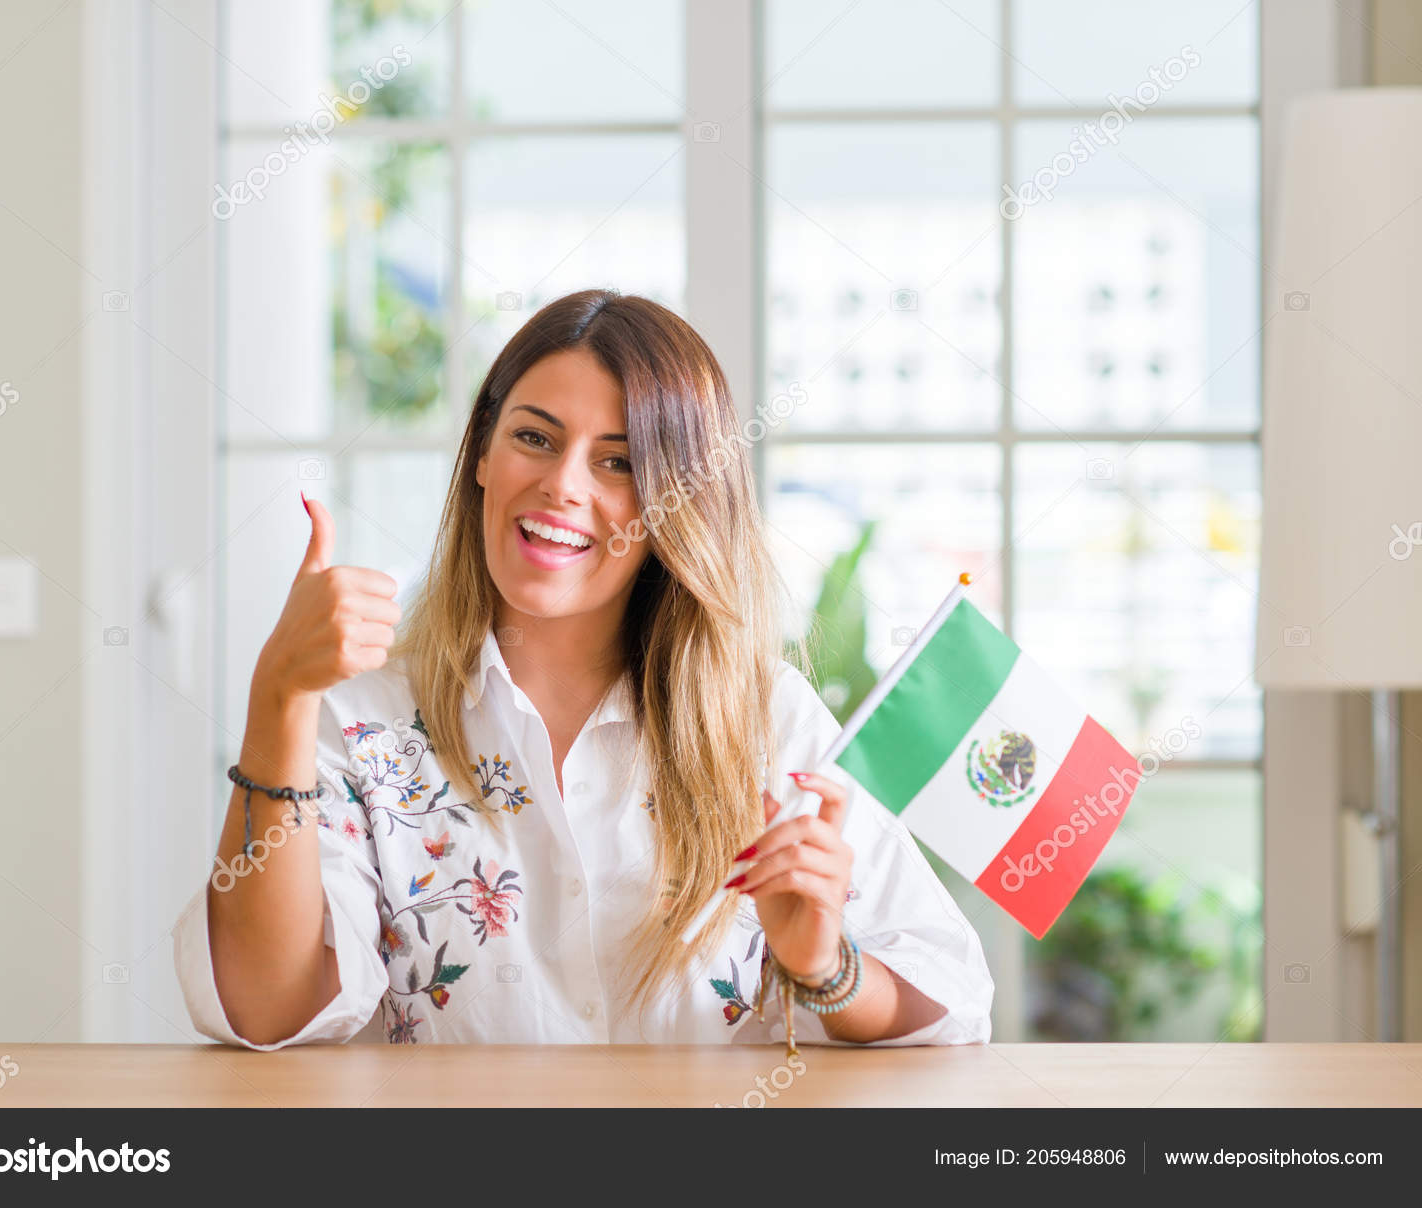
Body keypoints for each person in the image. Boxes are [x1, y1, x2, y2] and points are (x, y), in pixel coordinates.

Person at [172, 289, 993, 1049]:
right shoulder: (358, 717)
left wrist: (825, 968)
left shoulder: (766, 717)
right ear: (483, 456)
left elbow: (951, 1000)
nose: (562, 485)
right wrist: (277, 695)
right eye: (534, 437)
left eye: (620, 462)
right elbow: (265, 1010)